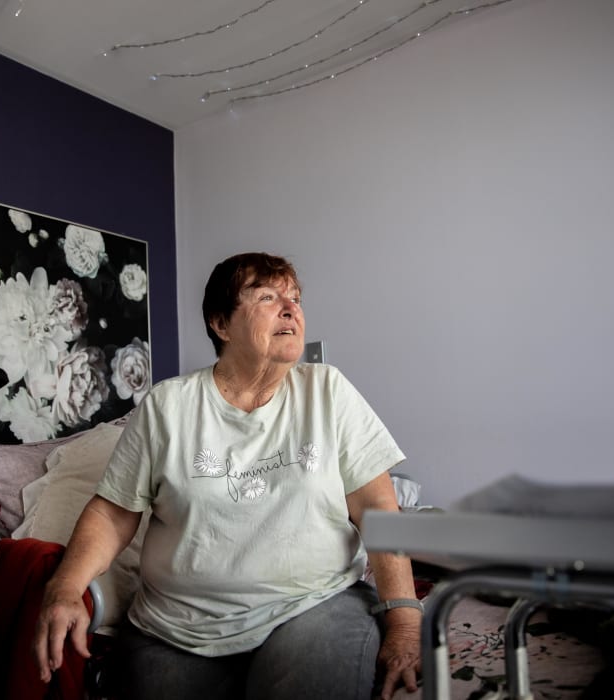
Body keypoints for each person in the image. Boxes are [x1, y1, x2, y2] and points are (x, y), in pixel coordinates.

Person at [34, 252, 421, 699]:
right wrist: (64, 588)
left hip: (313, 605)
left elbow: (379, 510)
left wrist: (404, 621)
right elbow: (113, 514)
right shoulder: (168, 407)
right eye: (267, 296)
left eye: (295, 297)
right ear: (221, 324)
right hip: (177, 629)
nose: (291, 307)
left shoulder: (327, 390)